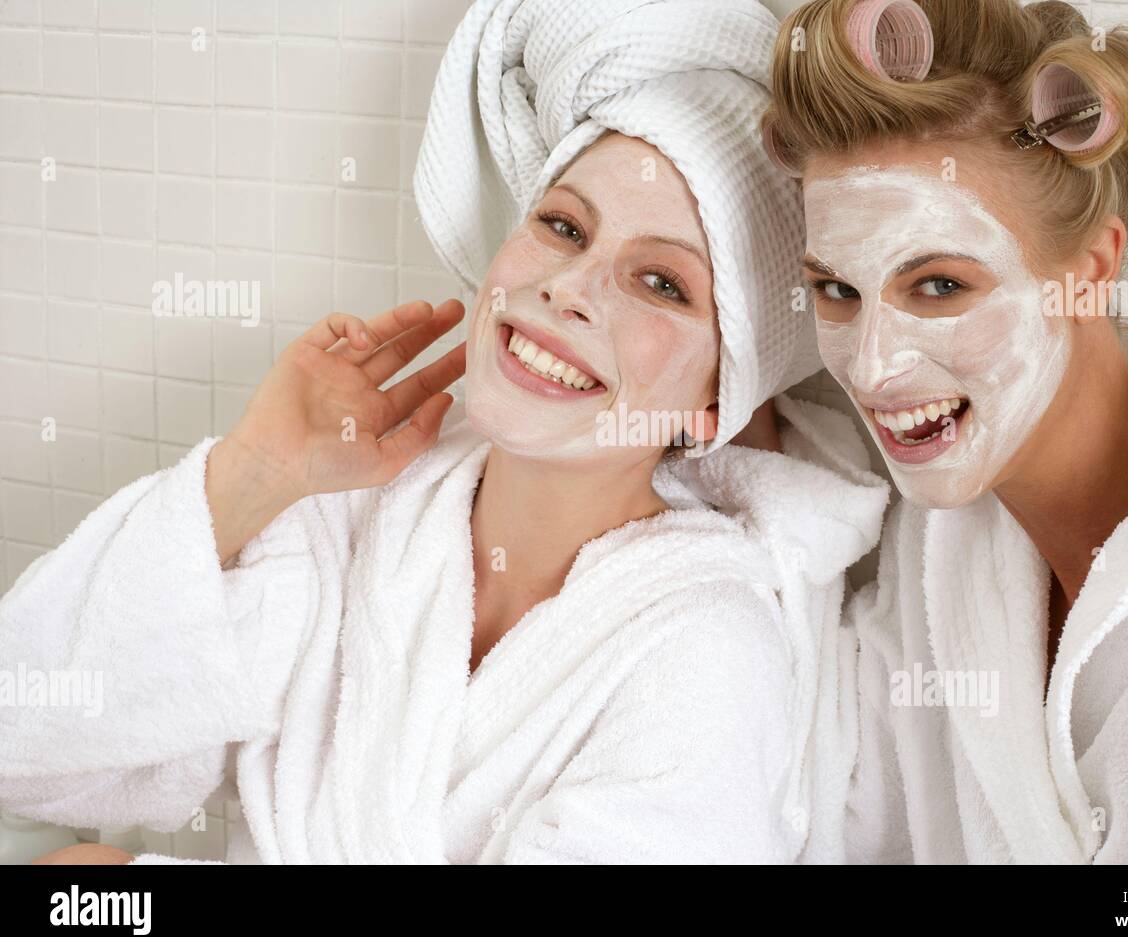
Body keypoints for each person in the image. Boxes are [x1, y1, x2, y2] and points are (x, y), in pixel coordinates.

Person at [0, 0, 884, 864]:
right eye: (563, 225)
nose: (568, 286)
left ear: (714, 407)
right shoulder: (363, 507)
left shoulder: (708, 652)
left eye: (662, 283)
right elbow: (27, 745)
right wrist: (252, 473)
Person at [764, 0, 1128, 862]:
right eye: (836, 290)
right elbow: (830, 818)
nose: (871, 368)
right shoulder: (947, 549)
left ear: (1091, 269)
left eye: (940, 286)